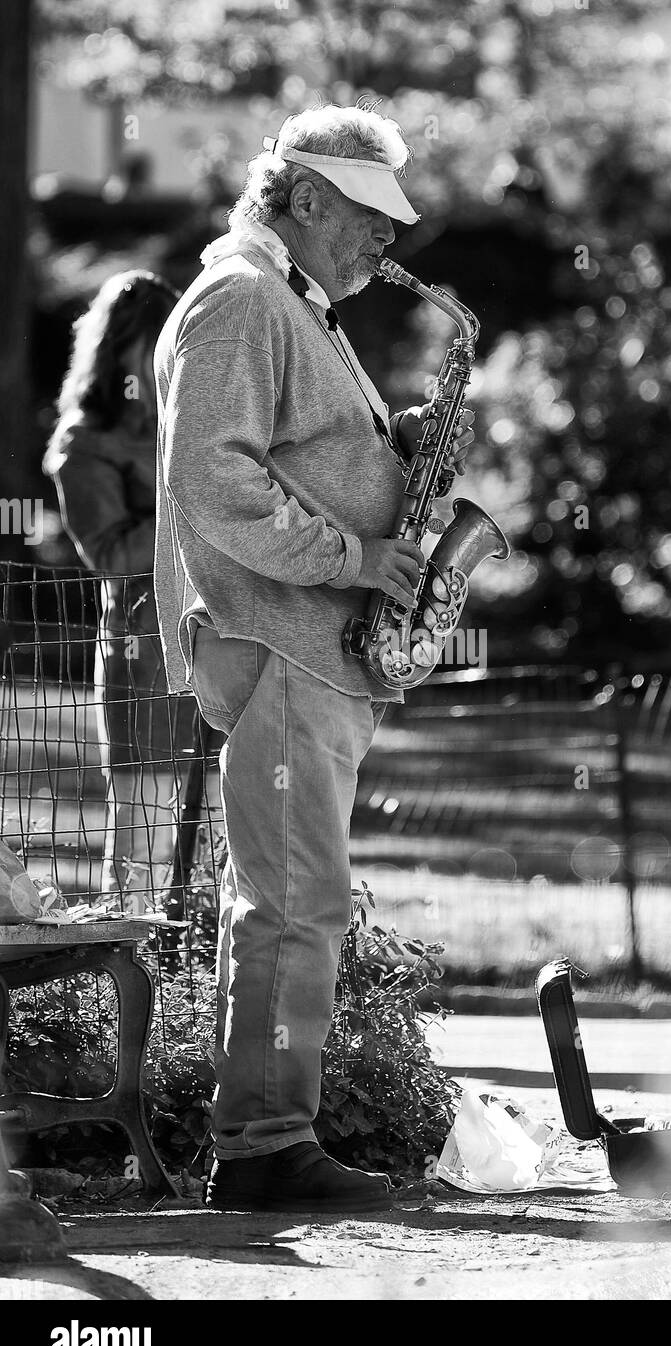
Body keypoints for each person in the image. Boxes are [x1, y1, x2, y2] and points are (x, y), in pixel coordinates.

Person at [153, 104, 474, 1212]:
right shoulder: (244, 300)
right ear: (300, 197)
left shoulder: (290, 302)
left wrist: (402, 444)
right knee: (295, 905)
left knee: (295, 902)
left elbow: (294, 455)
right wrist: (354, 556)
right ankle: (263, 1148)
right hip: (282, 637)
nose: (383, 245)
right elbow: (216, 482)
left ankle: (265, 1140)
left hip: (311, 647)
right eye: (367, 219)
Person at [44, 270, 206, 902]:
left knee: (221, 848)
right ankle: (136, 992)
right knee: (143, 853)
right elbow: (110, 555)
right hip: (141, 658)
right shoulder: (84, 445)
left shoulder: (186, 425)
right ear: (119, 352)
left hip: (211, 651)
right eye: (153, 343)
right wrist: (194, 499)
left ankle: (202, 992)